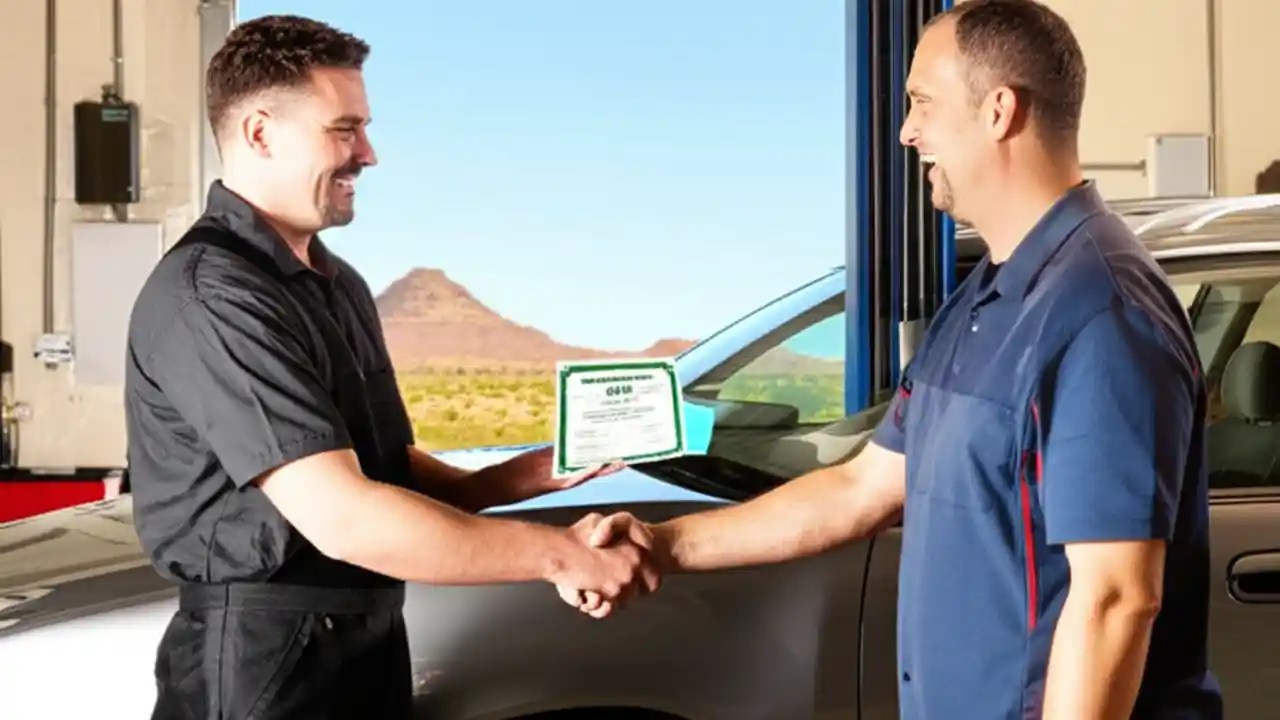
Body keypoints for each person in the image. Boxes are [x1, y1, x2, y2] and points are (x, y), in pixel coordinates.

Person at [562, 1, 1224, 718]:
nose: (908, 132)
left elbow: (1117, 597)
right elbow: (862, 488)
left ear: (999, 110)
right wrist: (664, 543)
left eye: (922, 103)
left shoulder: (1102, 313)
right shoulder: (986, 299)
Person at [124, 14, 656, 720]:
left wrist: (516, 477)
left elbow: (386, 470)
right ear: (260, 133)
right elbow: (345, 517)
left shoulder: (334, 282)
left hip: (366, 640)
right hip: (268, 659)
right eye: (344, 129)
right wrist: (563, 557)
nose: (368, 154)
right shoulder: (213, 294)